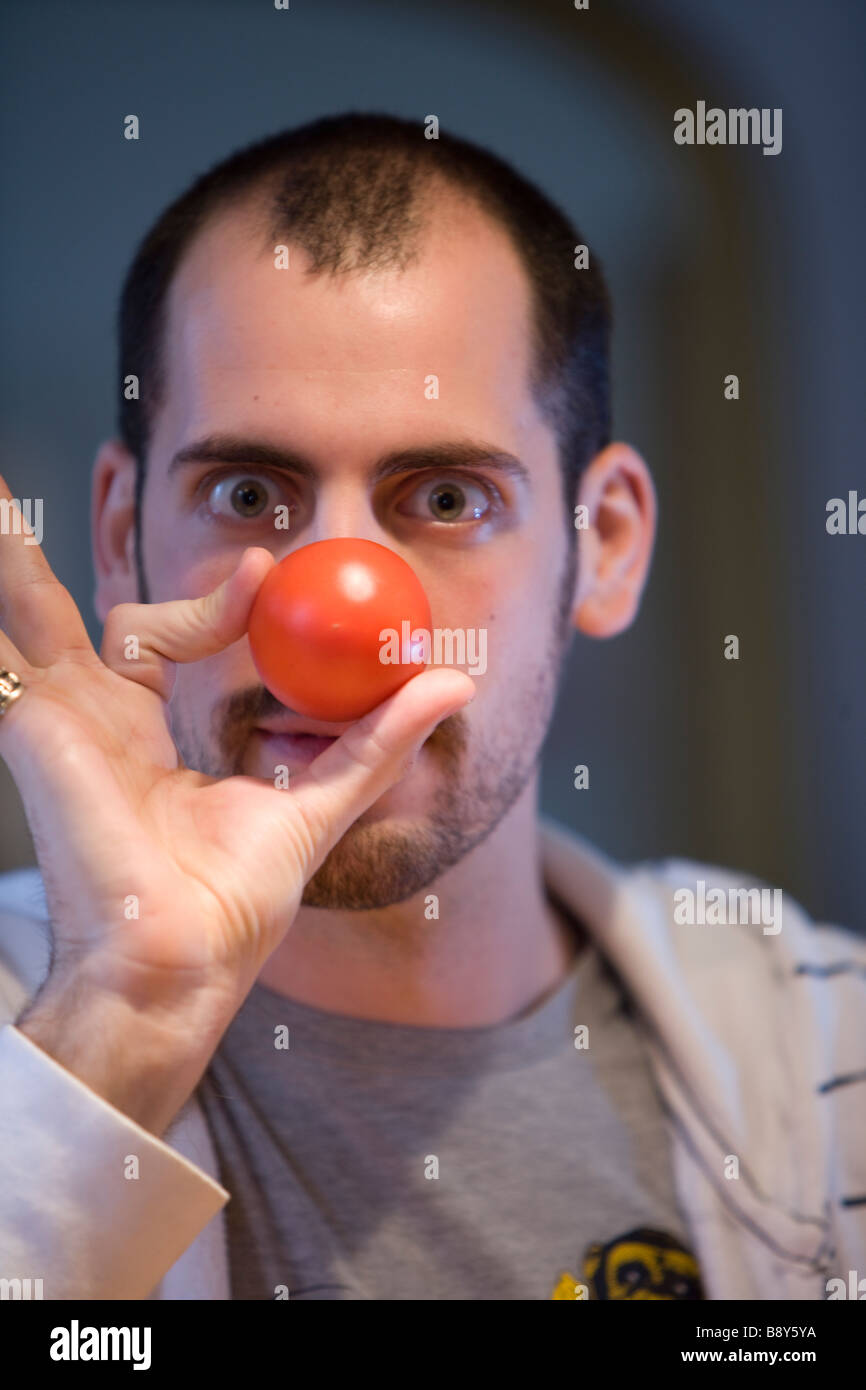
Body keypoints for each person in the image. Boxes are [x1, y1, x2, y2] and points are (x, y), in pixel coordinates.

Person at [0, 113, 863, 1302]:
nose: (341, 620)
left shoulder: (834, 1056)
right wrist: (117, 1026)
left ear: (602, 543)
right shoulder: (42, 1032)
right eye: (248, 490)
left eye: (447, 497)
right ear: (117, 531)